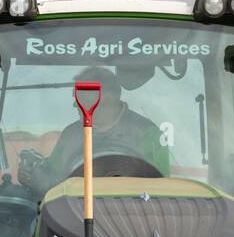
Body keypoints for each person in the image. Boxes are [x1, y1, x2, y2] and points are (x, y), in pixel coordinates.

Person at [16, 67, 167, 198]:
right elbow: (54, 175)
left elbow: (162, 188)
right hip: (73, 217)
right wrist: (32, 175)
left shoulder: (148, 133)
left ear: (105, 99)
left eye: (80, 94)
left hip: (131, 218)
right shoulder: (71, 134)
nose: (75, 103)